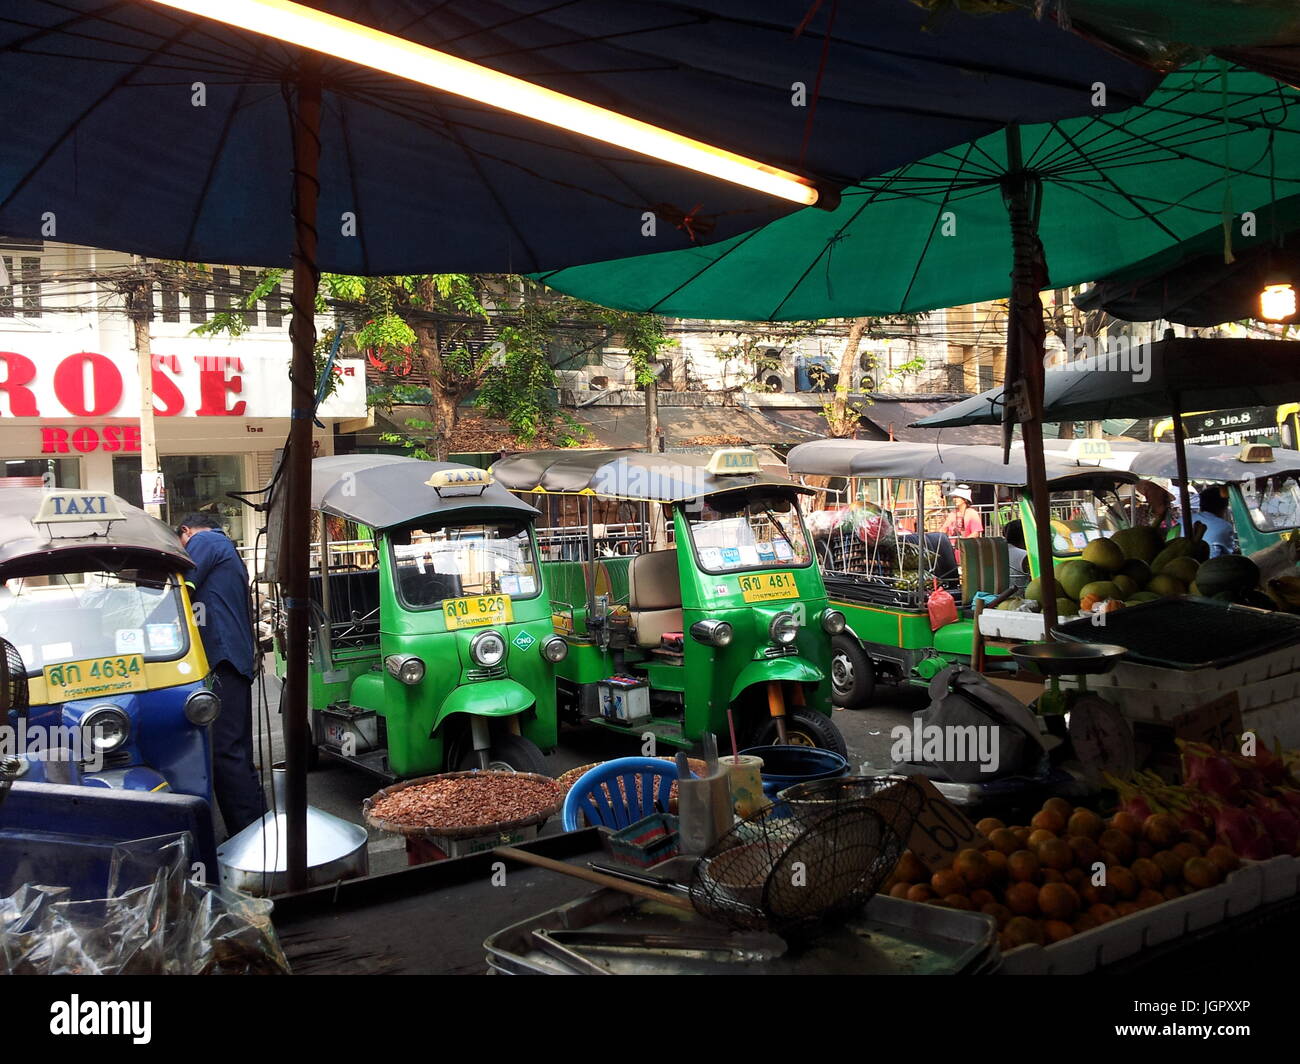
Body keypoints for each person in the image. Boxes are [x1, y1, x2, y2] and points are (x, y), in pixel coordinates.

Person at [177, 512, 265, 835]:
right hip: (230, 659)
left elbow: (178, 588)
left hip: (222, 660)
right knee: (236, 753)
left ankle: (248, 835)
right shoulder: (224, 547)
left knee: (225, 753)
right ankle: (258, 829)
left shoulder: (205, 540)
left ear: (185, 532)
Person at [1193, 486, 1238, 558]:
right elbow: (1230, 553)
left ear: (1200, 505)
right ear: (1224, 508)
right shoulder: (1224, 526)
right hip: (1209, 566)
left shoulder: (1181, 520)